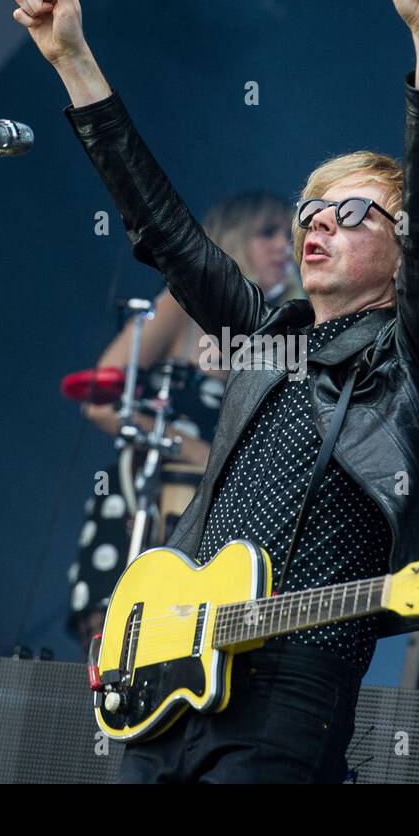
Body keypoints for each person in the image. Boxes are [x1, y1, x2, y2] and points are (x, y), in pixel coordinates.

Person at [14, 0, 419, 782]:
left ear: (400, 251)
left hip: (291, 693)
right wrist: (74, 61)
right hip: (173, 672)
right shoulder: (269, 336)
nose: (318, 225)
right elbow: (167, 235)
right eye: (311, 211)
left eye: (351, 213)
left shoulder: (410, 356)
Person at [68, 192, 302, 656]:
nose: (285, 247)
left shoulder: (290, 330)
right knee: (115, 651)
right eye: (268, 233)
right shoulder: (180, 306)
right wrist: (194, 451)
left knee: (198, 658)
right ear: (233, 240)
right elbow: (98, 399)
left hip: (225, 521)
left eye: (288, 235)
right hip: (148, 505)